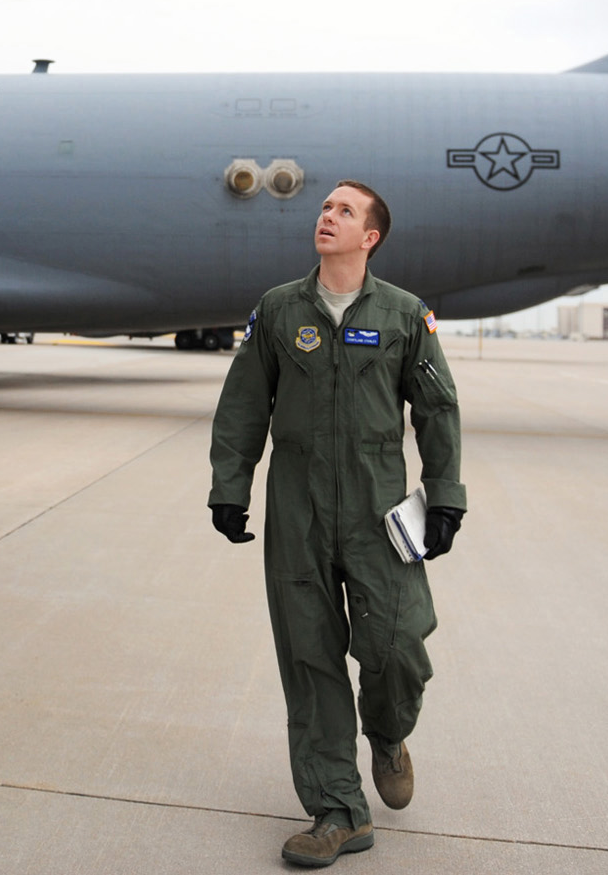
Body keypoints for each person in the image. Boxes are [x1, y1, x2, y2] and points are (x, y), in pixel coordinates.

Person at [208, 180, 465, 868]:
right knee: (310, 657)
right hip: (297, 508)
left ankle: (388, 731)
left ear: (370, 237)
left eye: (344, 211)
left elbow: (437, 408)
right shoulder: (279, 309)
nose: (327, 216)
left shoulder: (405, 314)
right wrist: (230, 486)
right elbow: (243, 403)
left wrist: (445, 494)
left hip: (380, 510)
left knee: (398, 644)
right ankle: (338, 811)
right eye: (325, 207)